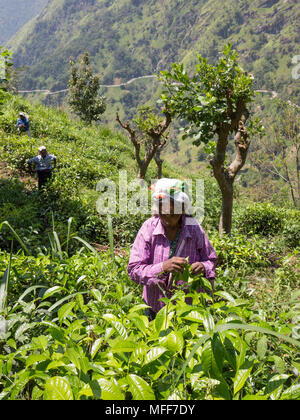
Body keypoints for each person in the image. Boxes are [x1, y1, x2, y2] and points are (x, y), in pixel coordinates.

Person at [127, 178, 217, 320]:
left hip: (188, 311)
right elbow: (133, 270)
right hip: (155, 309)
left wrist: (203, 267)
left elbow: (211, 259)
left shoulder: (194, 229)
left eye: (174, 210)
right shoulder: (148, 228)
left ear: (183, 208)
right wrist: (162, 267)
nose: (168, 214)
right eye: (164, 209)